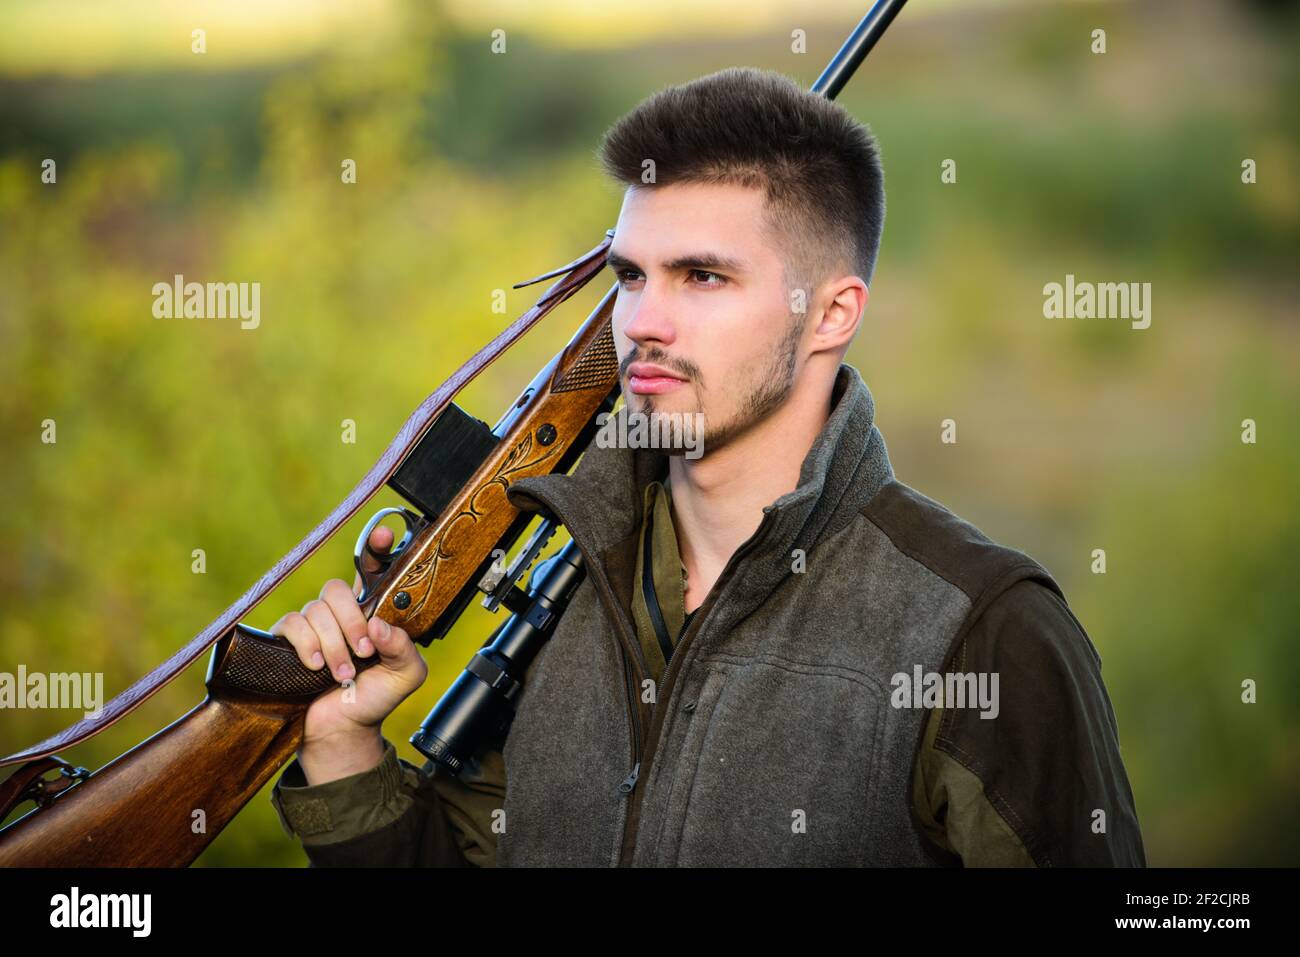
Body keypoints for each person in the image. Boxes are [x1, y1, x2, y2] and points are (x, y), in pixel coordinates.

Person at [268, 67, 1145, 867]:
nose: (644, 321)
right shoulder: (574, 584)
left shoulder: (983, 631)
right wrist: (345, 752)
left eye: (702, 278)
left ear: (832, 313)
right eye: (630, 275)